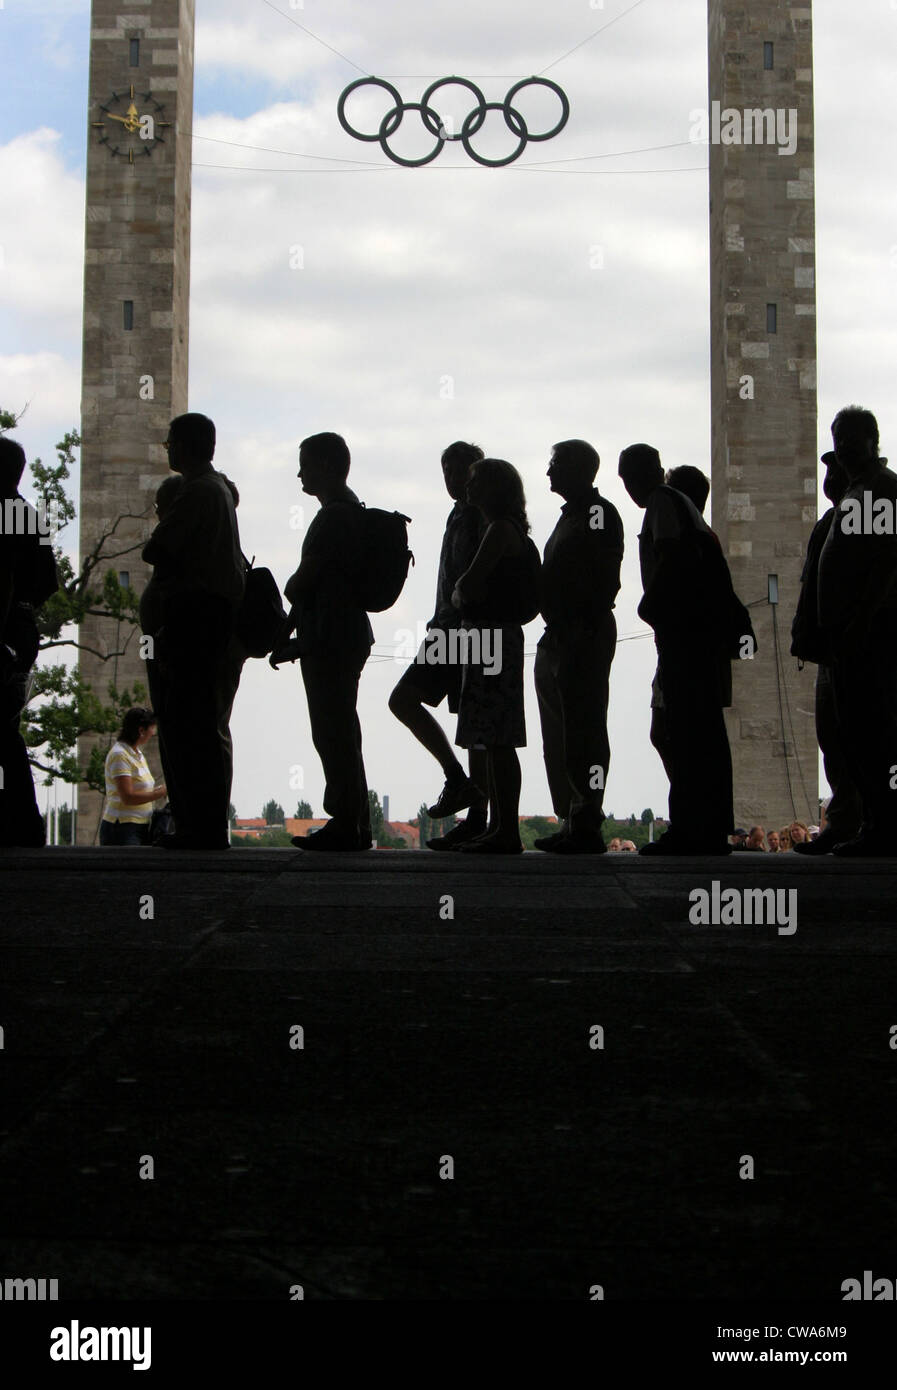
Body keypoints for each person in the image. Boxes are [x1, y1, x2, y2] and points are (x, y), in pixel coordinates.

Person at [618, 443, 733, 855]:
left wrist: (650, 607)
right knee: (696, 733)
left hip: (683, 639)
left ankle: (689, 825)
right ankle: (708, 825)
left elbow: (671, 558)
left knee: (681, 731)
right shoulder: (691, 515)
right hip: (697, 639)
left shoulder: (663, 504)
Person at [141, 413, 244, 850]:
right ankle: (203, 823)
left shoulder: (199, 490)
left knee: (190, 729)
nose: (167, 449)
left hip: (194, 629)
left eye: (170, 443)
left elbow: (157, 549)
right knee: (205, 728)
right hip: (208, 626)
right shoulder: (216, 488)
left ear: (185, 445)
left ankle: (196, 827)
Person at [388, 442, 488, 850]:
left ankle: (478, 816)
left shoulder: (482, 515)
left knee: (475, 727)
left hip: (468, 631)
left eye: (458, 469)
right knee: (405, 701)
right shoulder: (459, 513)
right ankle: (460, 784)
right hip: (445, 630)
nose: (450, 476)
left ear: (475, 472)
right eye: (445, 469)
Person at [283, 432, 373, 851]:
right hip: (339, 636)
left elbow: (306, 581)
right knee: (341, 728)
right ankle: (354, 822)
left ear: (328, 466)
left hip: (329, 640)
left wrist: (288, 588)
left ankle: (346, 821)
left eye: (307, 463)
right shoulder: (347, 511)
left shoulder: (334, 517)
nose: (301, 472)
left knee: (332, 730)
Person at [534, 439, 624, 854]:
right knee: (561, 733)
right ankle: (573, 817)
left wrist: (578, 623)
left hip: (580, 633)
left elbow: (603, 578)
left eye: (555, 464)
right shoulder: (574, 516)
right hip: (562, 634)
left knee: (583, 730)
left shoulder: (595, 514)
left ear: (578, 469)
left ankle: (586, 818)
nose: (549, 472)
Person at [817, 406, 897, 855]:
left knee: (874, 732)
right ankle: (876, 823)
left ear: (873, 440)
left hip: (870, 634)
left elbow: (886, 561)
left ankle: (884, 826)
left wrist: (861, 621)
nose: (842, 446)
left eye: (850, 437)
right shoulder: (860, 491)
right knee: (856, 734)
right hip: (851, 635)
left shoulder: (878, 491)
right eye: (837, 436)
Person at [452, 458, 540, 854]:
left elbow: (467, 587)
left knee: (495, 738)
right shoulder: (511, 529)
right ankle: (499, 827)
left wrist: (458, 591)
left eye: (477, 482)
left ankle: (504, 831)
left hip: (489, 639)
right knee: (494, 738)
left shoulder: (500, 530)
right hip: (497, 638)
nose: (469, 489)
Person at [791, 452, 863, 855]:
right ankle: (845, 820)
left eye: (837, 467)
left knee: (859, 735)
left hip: (856, 646)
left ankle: (867, 821)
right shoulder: (828, 524)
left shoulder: (870, 510)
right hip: (830, 650)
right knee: (832, 735)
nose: (830, 477)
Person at [0, 437, 58, 847]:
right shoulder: (26, 515)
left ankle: (21, 823)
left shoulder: (7, 513)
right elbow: (46, 583)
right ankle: (21, 822)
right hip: (18, 632)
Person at [100, 707, 167, 845]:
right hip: (123, 827)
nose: (153, 733)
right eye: (151, 729)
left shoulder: (136, 754)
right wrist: (160, 793)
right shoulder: (120, 755)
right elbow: (127, 797)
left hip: (140, 824)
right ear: (141, 731)